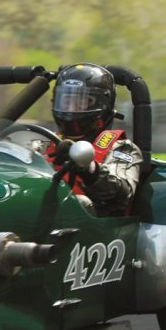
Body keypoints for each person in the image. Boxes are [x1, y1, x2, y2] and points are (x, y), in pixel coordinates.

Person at [46, 63, 143, 217]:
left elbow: (121, 196)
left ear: (102, 105)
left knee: (82, 202)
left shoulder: (122, 148)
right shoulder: (46, 143)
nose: (72, 108)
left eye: (83, 102)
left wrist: (87, 168)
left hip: (92, 230)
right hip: (41, 222)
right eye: (66, 101)